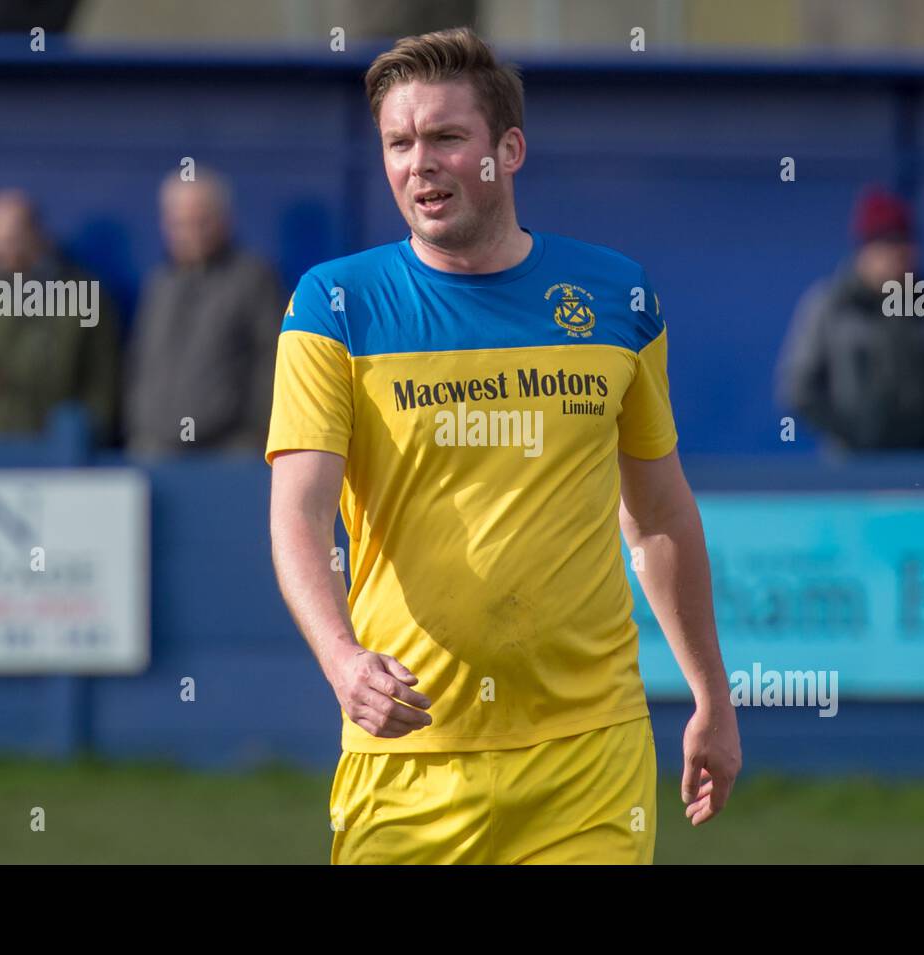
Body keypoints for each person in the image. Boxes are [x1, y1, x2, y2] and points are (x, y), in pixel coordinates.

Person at [266, 26, 740, 865]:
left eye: (447, 137)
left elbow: (658, 512)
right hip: (407, 764)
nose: (421, 163)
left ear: (508, 149)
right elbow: (300, 514)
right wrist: (342, 662)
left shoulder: (615, 298)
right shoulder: (334, 307)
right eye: (399, 143)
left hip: (588, 755)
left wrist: (711, 691)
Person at [776, 185, 924, 451]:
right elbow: (798, 389)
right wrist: (853, 430)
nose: (899, 261)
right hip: (853, 465)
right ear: (865, 251)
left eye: (905, 248)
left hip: (922, 466)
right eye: (888, 248)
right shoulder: (830, 305)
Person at [125, 169, 286, 456]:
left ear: (225, 221)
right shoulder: (159, 283)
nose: (192, 234)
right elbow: (141, 360)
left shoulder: (253, 278)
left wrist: (254, 437)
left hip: (229, 454)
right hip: (154, 451)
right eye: (181, 224)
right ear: (165, 225)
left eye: (202, 222)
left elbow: (272, 362)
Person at [0, 189, 120, 443]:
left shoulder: (82, 294)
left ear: (34, 236)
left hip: (55, 449)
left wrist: (86, 435)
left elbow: (103, 379)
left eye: (7, 242)